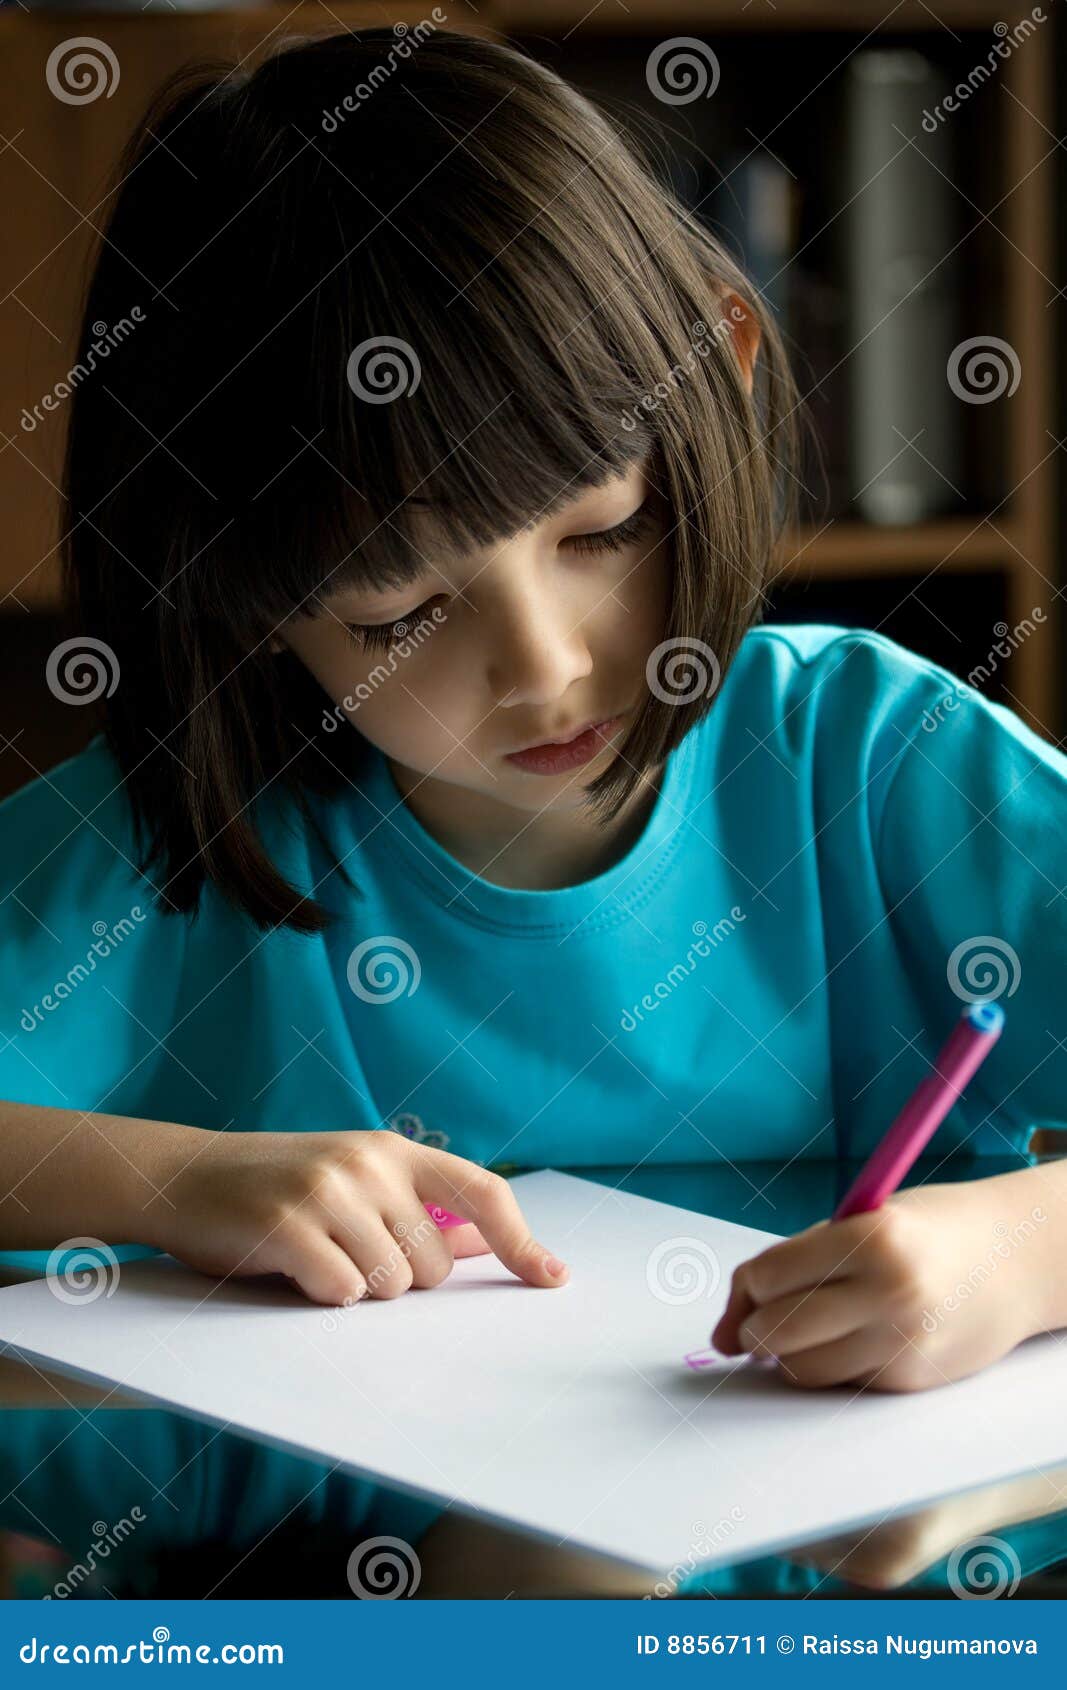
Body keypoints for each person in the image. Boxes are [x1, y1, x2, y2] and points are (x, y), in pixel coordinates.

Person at [2, 28, 1065, 1595]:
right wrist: (158, 1181)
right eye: (397, 615)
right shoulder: (159, 839)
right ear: (233, 597)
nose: (549, 666)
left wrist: (1020, 1253)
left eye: (606, 530)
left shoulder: (868, 760)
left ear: (729, 363)